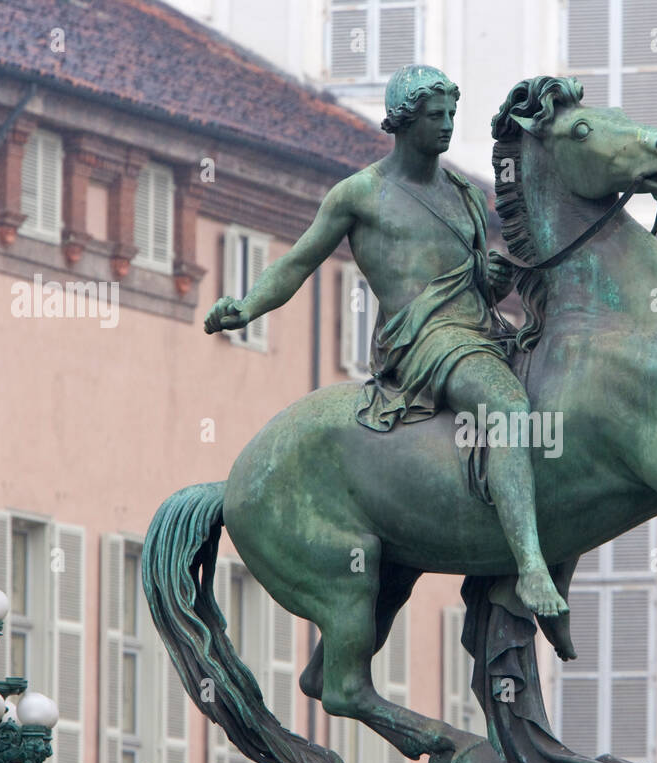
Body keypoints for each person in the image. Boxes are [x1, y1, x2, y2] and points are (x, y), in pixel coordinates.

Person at [203, 64, 567, 618]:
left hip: (482, 330)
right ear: (402, 122)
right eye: (433, 116)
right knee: (510, 406)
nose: (446, 125)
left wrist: (489, 280)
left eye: (450, 114)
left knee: (570, 403)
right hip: (425, 340)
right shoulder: (360, 195)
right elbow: (297, 263)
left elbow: (472, 281)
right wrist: (247, 306)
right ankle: (529, 570)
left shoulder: (465, 193)